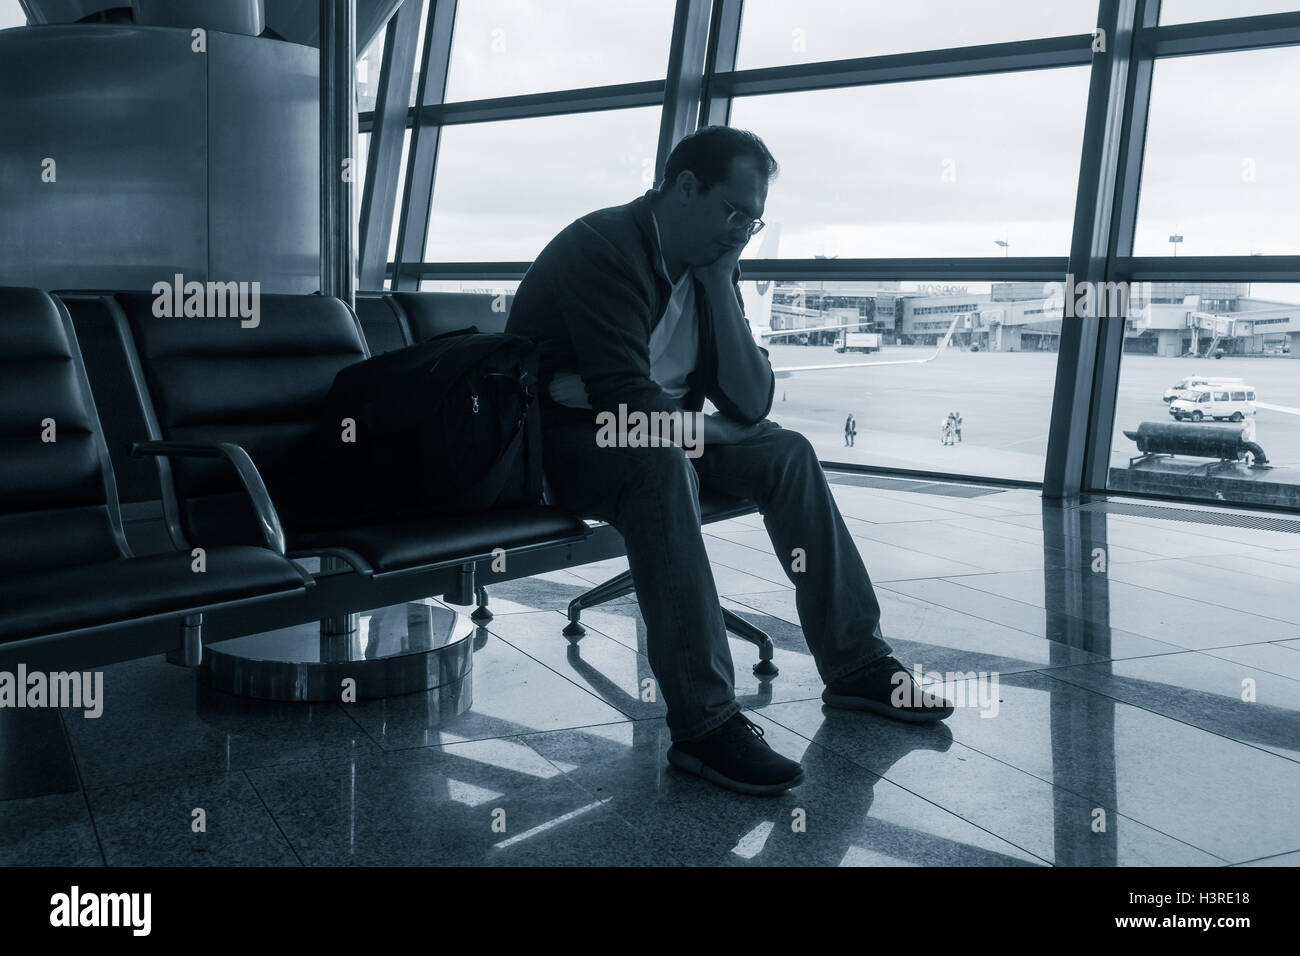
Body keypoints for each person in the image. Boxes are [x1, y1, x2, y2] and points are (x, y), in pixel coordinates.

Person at [506, 126, 953, 796]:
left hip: (663, 435)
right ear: (685, 187)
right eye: (732, 212)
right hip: (562, 448)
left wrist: (718, 286)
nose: (741, 231)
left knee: (787, 453)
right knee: (660, 462)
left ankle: (859, 664)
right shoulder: (604, 249)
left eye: (754, 219)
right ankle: (705, 725)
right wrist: (708, 425)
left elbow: (752, 399)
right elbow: (627, 407)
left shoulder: (714, 261)